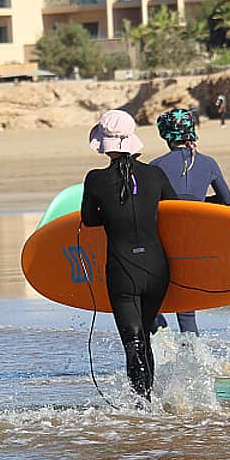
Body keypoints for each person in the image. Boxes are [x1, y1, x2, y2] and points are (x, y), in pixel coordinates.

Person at [80, 109, 178, 402]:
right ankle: (152, 403)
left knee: (133, 342)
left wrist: (111, 214)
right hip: (157, 269)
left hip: (122, 272)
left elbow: (89, 220)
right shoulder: (155, 175)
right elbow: (174, 214)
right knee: (145, 334)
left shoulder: (95, 180)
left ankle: (142, 406)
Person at [149, 108, 230, 336]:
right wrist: (197, 203)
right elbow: (226, 201)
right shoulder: (208, 163)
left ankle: (160, 338)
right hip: (196, 242)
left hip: (163, 241)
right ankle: (194, 361)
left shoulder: (156, 166)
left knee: (150, 297)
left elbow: (148, 204)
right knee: (187, 311)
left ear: (165, 135)